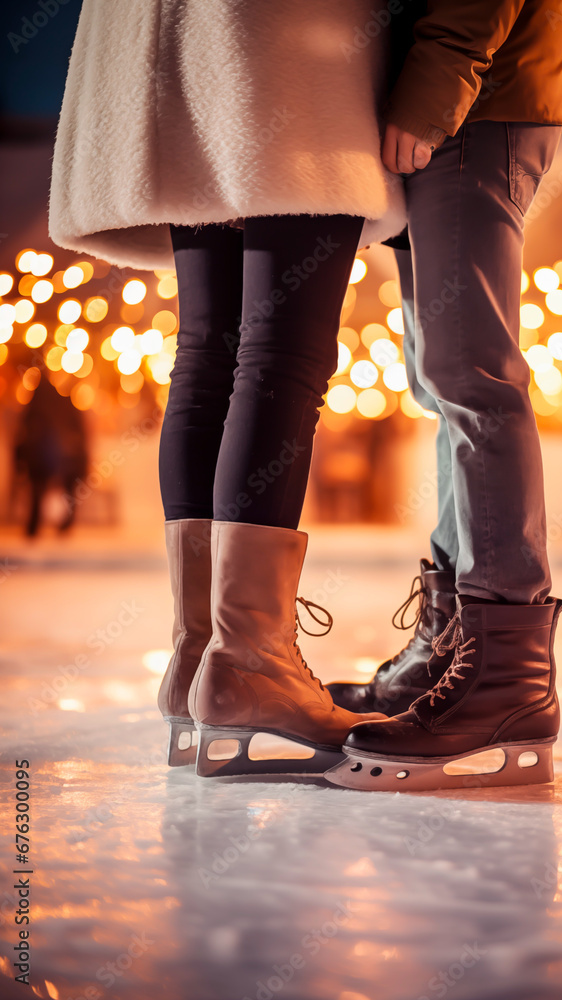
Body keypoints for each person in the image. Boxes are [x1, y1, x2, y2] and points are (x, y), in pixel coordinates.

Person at [49, 1, 405, 776]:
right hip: (289, 50)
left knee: (208, 352)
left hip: (178, 46)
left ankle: (201, 653)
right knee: (282, 354)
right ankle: (248, 659)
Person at [327, 1, 562, 791]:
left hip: (476, 100)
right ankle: (451, 640)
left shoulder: (458, 94)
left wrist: (434, 87)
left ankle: (507, 675)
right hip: (459, 102)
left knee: (474, 375)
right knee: (442, 380)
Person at [14, 369, 88, 537]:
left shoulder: (36, 404)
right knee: (66, 490)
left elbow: (23, 431)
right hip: (62, 456)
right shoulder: (65, 402)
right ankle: (63, 523)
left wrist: (20, 458)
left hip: (42, 457)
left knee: (38, 490)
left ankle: (34, 526)